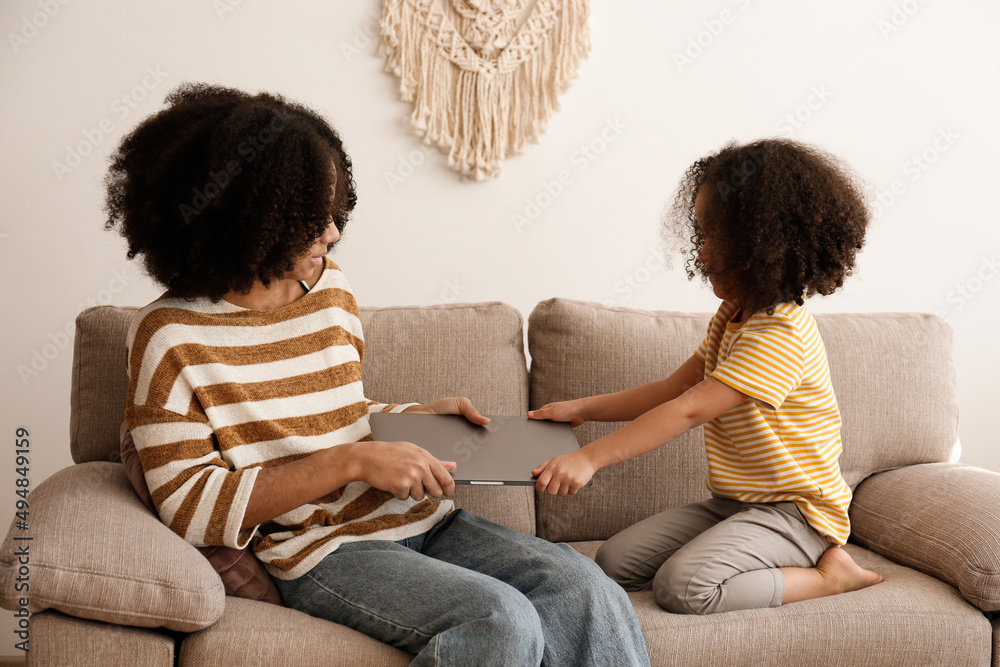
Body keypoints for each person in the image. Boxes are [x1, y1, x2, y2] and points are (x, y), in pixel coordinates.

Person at [105, 83, 650, 666]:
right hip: (322, 550)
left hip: (421, 520)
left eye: (332, 211)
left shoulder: (330, 289)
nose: (332, 232)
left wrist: (413, 420)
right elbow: (190, 506)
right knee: (499, 619)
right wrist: (353, 462)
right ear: (244, 220)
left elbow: (334, 415)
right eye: (308, 218)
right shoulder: (169, 337)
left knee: (586, 587)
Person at [529, 138, 883, 615]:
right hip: (737, 503)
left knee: (682, 588)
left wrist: (589, 459)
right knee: (612, 563)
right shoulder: (734, 315)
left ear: (766, 244)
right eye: (702, 234)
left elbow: (689, 409)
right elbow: (672, 389)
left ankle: (830, 577)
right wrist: (582, 409)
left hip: (797, 514)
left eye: (717, 236)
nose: (703, 252)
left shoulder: (781, 334)